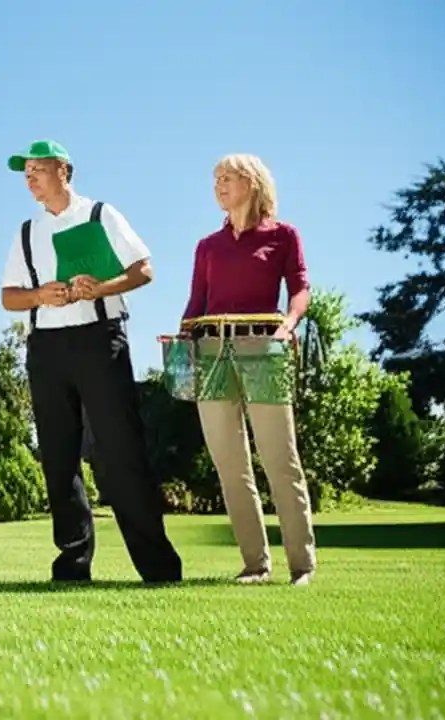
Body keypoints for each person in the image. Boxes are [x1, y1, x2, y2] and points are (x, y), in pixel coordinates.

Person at [0, 139, 183, 584]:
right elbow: (8, 297)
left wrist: (99, 288)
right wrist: (41, 295)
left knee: (122, 452)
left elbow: (144, 268)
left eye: (37, 170)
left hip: (100, 341)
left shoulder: (102, 214)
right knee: (59, 459)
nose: (30, 179)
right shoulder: (27, 231)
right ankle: (72, 565)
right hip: (46, 347)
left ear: (64, 170)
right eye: (25, 174)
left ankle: (157, 566)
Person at [180, 153, 316, 586]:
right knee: (229, 463)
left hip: (264, 347)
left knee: (280, 458)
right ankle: (255, 565)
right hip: (211, 351)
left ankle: (302, 566)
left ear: (252, 184)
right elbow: (196, 303)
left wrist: (289, 326)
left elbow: (300, 289)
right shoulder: (207, 246)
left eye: (227, 177)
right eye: (214, 178)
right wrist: (182, 342)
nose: (218, 185)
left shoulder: (283, 236)